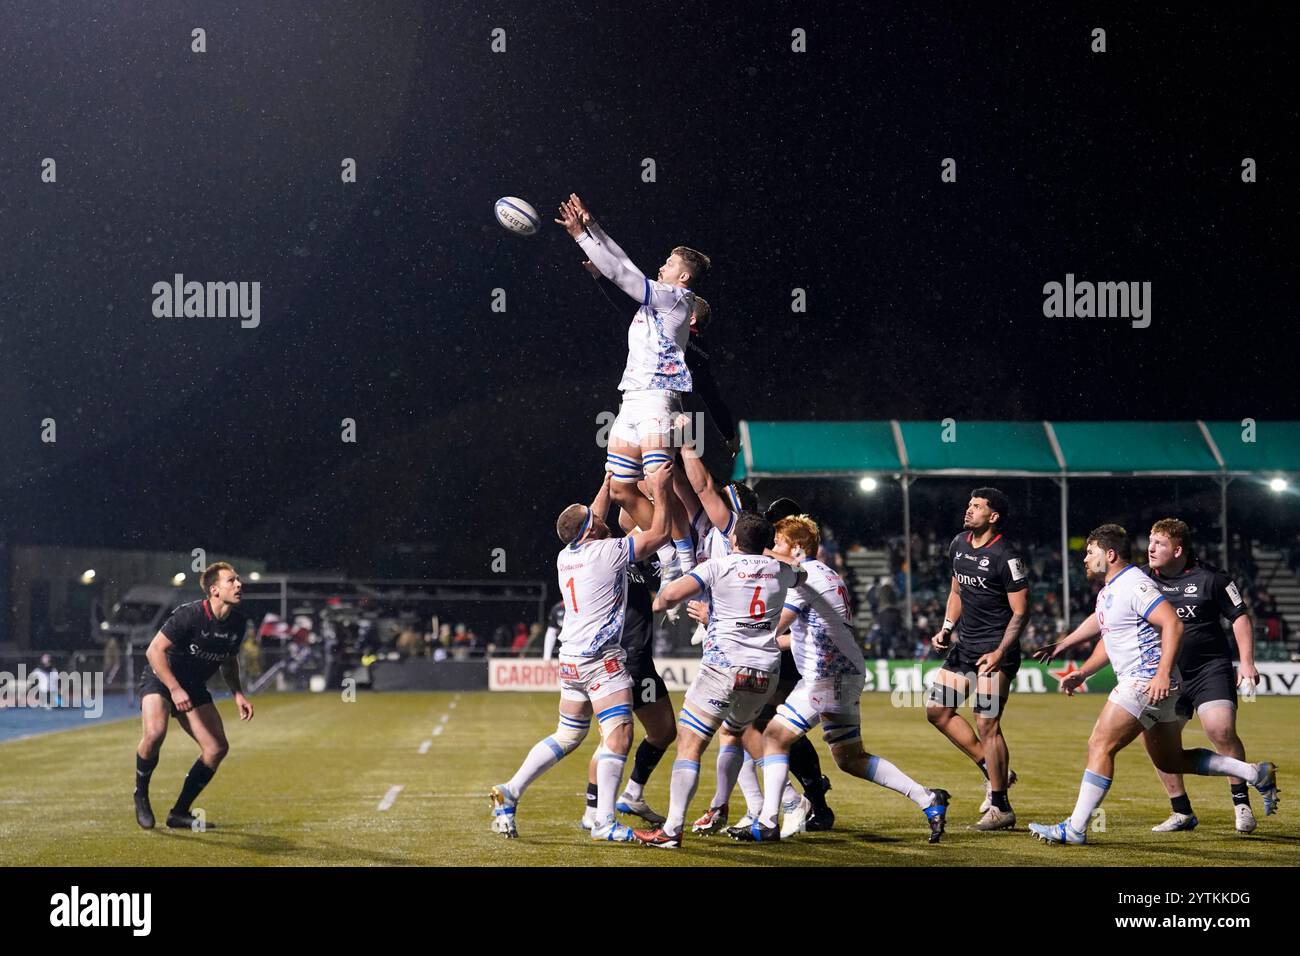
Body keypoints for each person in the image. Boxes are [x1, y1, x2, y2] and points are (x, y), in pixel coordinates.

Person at [1028, 525, 1279, 845]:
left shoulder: (1134, 583)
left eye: (1090, 552)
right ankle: (1252, 773)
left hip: (1145, 680)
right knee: (1169, 760)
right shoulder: (1111, 590)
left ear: (1110, 554)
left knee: (1100, 745)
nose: (1085, 558)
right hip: (1154, 683)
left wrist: (1161, 673)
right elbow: (1109, 636)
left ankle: (1075, 828)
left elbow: (1172, 622)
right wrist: (1079, 664)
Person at [489, 465, 674, 842]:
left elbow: (592, 515)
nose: (600, 516)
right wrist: (663, 490)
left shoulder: (566, 556)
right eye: (595, 518)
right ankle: (603, 820)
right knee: (619, 735)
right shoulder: (607, 552)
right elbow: (661, 532)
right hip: (601, 661)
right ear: (591, 529)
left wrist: (608, 483)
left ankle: (510, 791)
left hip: (570, 659)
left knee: (568, 735)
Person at [742, 514, 950, 844]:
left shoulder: (804, 575)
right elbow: (797, 636)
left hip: (826, 675)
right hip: (845, 672)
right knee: (850, 758)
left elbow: (775, 625)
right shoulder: (825, 574)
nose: (771, 548)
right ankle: (928, 798)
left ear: (796, 548)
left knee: (773, 736)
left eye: (777, 543)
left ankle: (768, 820)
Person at [632, 512, 806, 848]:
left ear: (734, 541)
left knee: (690, 742)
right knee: (733, 733)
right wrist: (768, 552)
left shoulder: (719, 565)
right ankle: (744, 810)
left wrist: (663, 600)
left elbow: (670, 595)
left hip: (723, 667)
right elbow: (801, 567)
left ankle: (671, 830)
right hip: (764, 671)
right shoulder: (781, 570)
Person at [555, 193, 702, 582]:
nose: (662, 266)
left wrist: (581, 238)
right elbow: (623, 264)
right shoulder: (658, 299)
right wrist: (593, 227)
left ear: (683, 276)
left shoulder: (675, 299)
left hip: (658, 398)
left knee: (658, 480)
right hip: (632, 400)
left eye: (669, 264)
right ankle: (668, 552)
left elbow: (623, 275)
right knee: (620, 490)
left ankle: (687, 559)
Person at [1140, 519, 1262, 833]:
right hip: (1166, 675)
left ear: (1178, 550)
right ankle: (1181, 811)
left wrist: (1246, 662)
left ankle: (1241, 803)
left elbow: (1239, 617)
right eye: (1150, 542)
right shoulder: (1140, 579)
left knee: (1220, 731)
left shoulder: (1213, 579)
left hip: (1210, 668)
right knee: (1157, 742)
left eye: (1160, 544)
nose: (1151, 549)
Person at [925, 488, 1028, 830]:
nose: (969, 510)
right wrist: (946, 627)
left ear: (993, 516)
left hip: (995, 651)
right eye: (969, 504)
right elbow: (957, 591)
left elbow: (1020, 613)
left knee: (986, 722)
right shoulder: (958, 544)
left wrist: (1000, 653)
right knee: (937, 712)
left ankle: (1000, 807)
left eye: (978, 506)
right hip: (965, 647)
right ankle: (993, 769)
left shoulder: (1006, 556)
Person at [134, 562, 255, 830]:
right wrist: (175, 689)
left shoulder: (237, 623)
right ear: (214, 590)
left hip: (193, 686)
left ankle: (179, 813)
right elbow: (154, 651)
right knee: (155, 734)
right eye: (231, 581)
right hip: (161, 678)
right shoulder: (189, 615)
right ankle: (141, 794)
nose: (239, 585)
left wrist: (238, 694)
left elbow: (228, 660)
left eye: (238, 580)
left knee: (216, 749)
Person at [578, 542, 677, 829]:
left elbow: (645, 602)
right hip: (624, 659)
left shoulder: (632, 566)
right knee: (612, 738)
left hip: (640, 660)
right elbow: (635, 523)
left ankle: (630, 794)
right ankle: (594, 810)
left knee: (664, 731)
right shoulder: (605, 563)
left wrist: (666, 601)